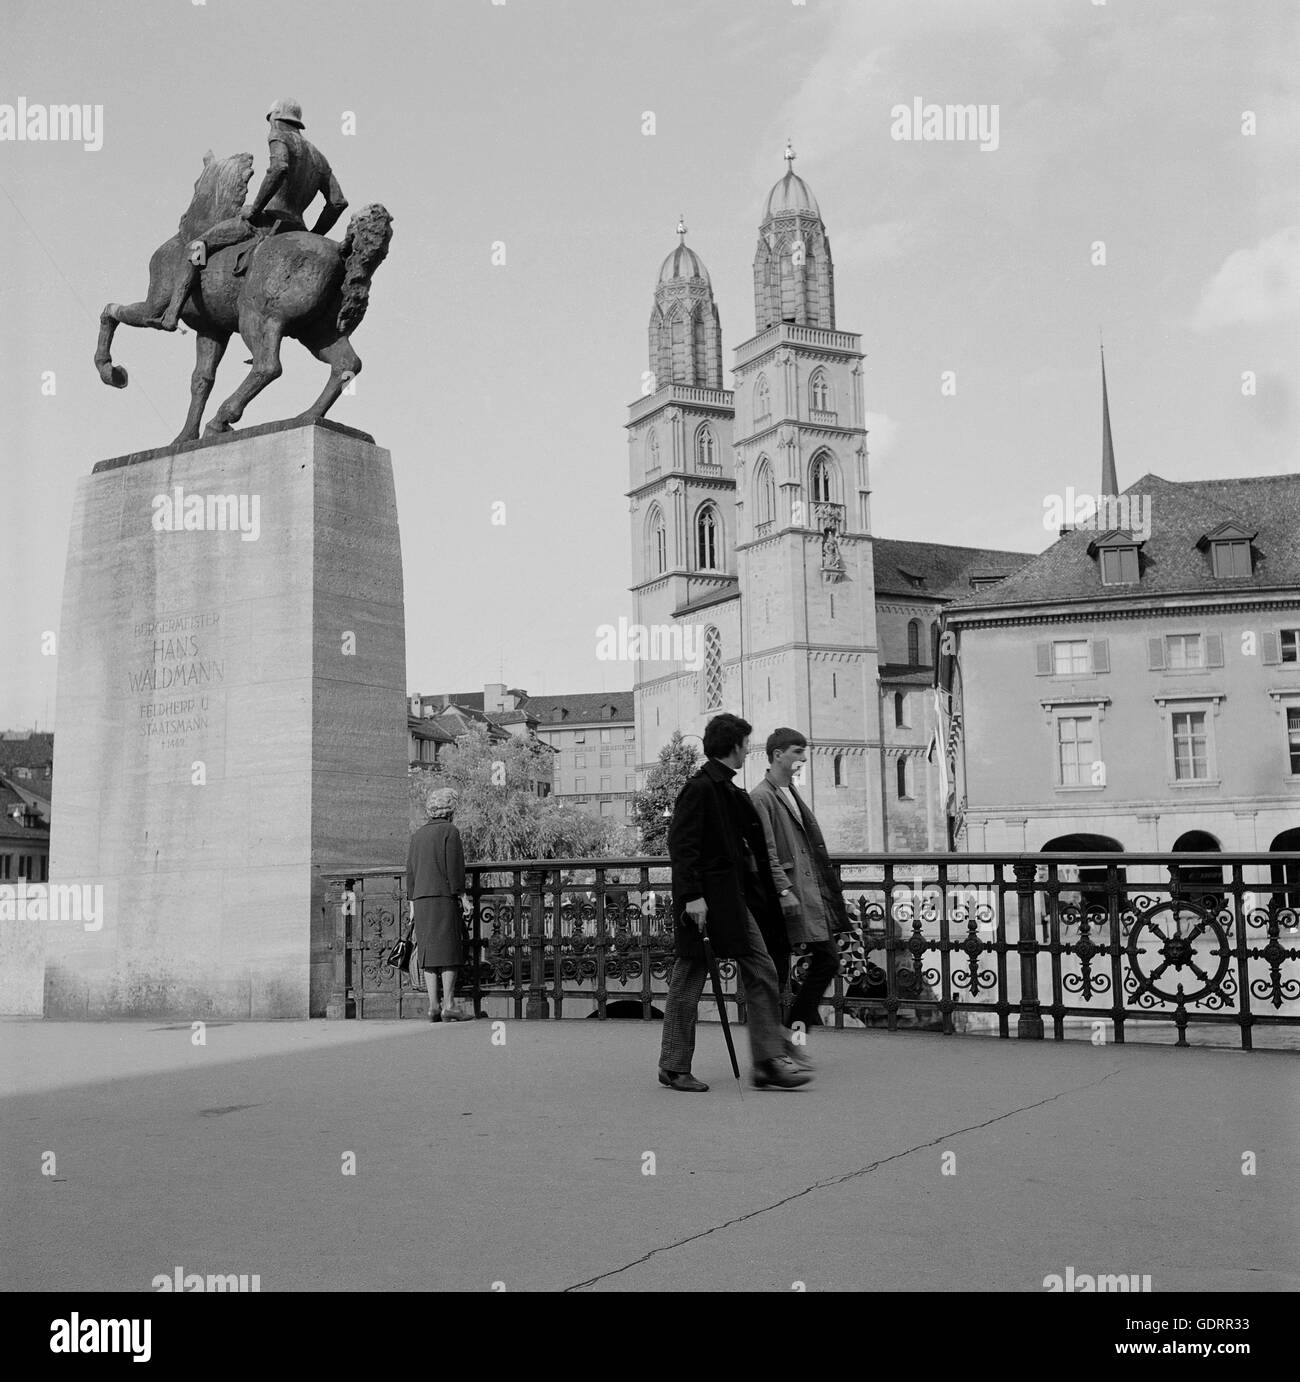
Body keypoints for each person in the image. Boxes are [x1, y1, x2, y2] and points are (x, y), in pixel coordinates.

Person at [658, 713, 811, 1091]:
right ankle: (675, 1066)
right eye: (745, 744)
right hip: (706, 904)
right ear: (735, 746)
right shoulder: (701, 788)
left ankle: (767, 1062)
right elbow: (682, 845)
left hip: (731, 901)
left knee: (761, 970)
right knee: (689, 980)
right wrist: (692, 897)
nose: (748, 750)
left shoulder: (726, 789)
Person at [152, 98, 349, 330]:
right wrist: (314, 235)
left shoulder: (279, 135)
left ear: (275, 117)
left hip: (266, 222)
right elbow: (337, 202)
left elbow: (279, 168)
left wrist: (254, 209)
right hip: (296, 227)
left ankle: (172, 312)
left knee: (196, 246)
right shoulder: (318, 157)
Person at [750, 728, 853, 1067]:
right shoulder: (762, 796)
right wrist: (783, 888)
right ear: (777, 754)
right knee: (777, 976)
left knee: (827, 961)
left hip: (807, 898)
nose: (803, 759)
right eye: (797, 752)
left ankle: (791, 1039)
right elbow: (763, 850)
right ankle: (776, 1052)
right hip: (786, 898)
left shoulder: (790, 791)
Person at [406, 787, 474, 1022]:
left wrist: (412, 903)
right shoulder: (450, 832)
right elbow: (455, 868)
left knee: (427, 952)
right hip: (443, 897)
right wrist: (463, 897)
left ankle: (433, 1006)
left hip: (422, 899)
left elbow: (411, 872)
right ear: (450, 810)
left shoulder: (417, 835)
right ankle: (449, 1005)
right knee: (448, 951)